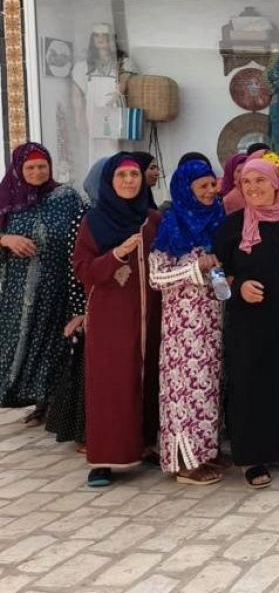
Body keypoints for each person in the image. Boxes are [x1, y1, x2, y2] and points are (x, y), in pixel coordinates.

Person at [212, 158, 279, 488]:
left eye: (260, 181)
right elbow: (215, 276)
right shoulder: (232, 225)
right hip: (248, 323)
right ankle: (251, 457)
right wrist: (238, 288)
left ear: (275, 183)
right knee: (250, 386)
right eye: (247, 182)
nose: (253, 188)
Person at [72, 153, 162, 488]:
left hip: (151, 314)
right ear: (110, 181)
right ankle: (104, 458)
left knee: (148, 376)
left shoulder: (152, 219)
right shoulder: (93, 222)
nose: (129, 181)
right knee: (112, 384)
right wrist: (116, 255)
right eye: (122, 175)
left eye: (135, 175)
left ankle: (146, 444)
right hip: (112, 317)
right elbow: (83, 269)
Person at [148, 158, 227, 485]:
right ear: (185, 190)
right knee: (184, 392)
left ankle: (205, 453)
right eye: (203, 187)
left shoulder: (218, 219)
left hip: (213, 322)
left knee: (209, 389)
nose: (211, 191)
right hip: (183, 328)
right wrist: (197, 270)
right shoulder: (172, 224)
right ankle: (183, 463)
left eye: (212, 185)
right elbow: (156, 277)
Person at [0, 144, 87, 421]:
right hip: (19, 289)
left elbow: (84, 231)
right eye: (30, 167)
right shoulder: (7, 199)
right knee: (22, 342)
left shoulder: (66, 197)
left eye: (42, 166)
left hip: (60, 285)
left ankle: (51, 402)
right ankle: (32, 397)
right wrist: (5, 239)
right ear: (18, 170)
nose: (37, 172)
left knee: (57, 343)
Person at [71, 23, 136, 172]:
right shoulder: (82, 66)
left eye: (104, 35)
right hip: (93, 113)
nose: (100, 39)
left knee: (118, 152)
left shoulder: (123, 63)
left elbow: (124, 84)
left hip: (115, 109)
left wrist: (111, 104)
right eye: (96, 35)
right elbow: (76, 97)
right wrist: (79, 120)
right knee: (96, 153)